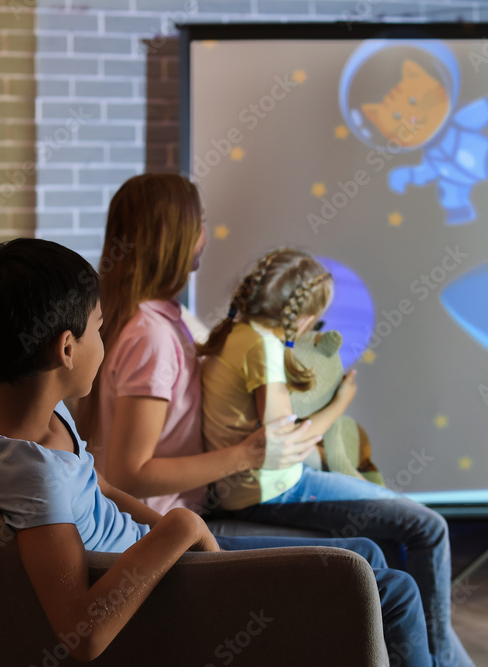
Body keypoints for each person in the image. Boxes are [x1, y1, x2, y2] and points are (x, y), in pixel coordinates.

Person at [0, 236, 432, 665]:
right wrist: (182, 529)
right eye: (100, 330)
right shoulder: (35, 476)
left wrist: (175, 531)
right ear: (67, 349)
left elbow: (99, 486)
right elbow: (81, 634)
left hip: (173, 556)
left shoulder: (32, 423)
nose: (104, 346)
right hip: (168, 591)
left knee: (368, 551)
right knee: (395, 591)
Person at [74, 174, 472, 667]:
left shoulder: (161, 320)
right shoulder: (150, 337)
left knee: (384, 544)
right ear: (174, 235)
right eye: (199, 223)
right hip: (175, 526)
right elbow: (133, 471)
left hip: (195, 510)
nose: (206, 233)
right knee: (376, 555)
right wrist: (247, 453)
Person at [199, 248, 472, 667]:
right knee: (427, 528)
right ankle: (440, 662)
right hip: (273, 489)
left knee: (397, 538)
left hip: (262, 485)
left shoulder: (238, 335)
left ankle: (432, 656)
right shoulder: (260, 347)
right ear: (302, 316)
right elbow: (281, 444)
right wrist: (341, 402)